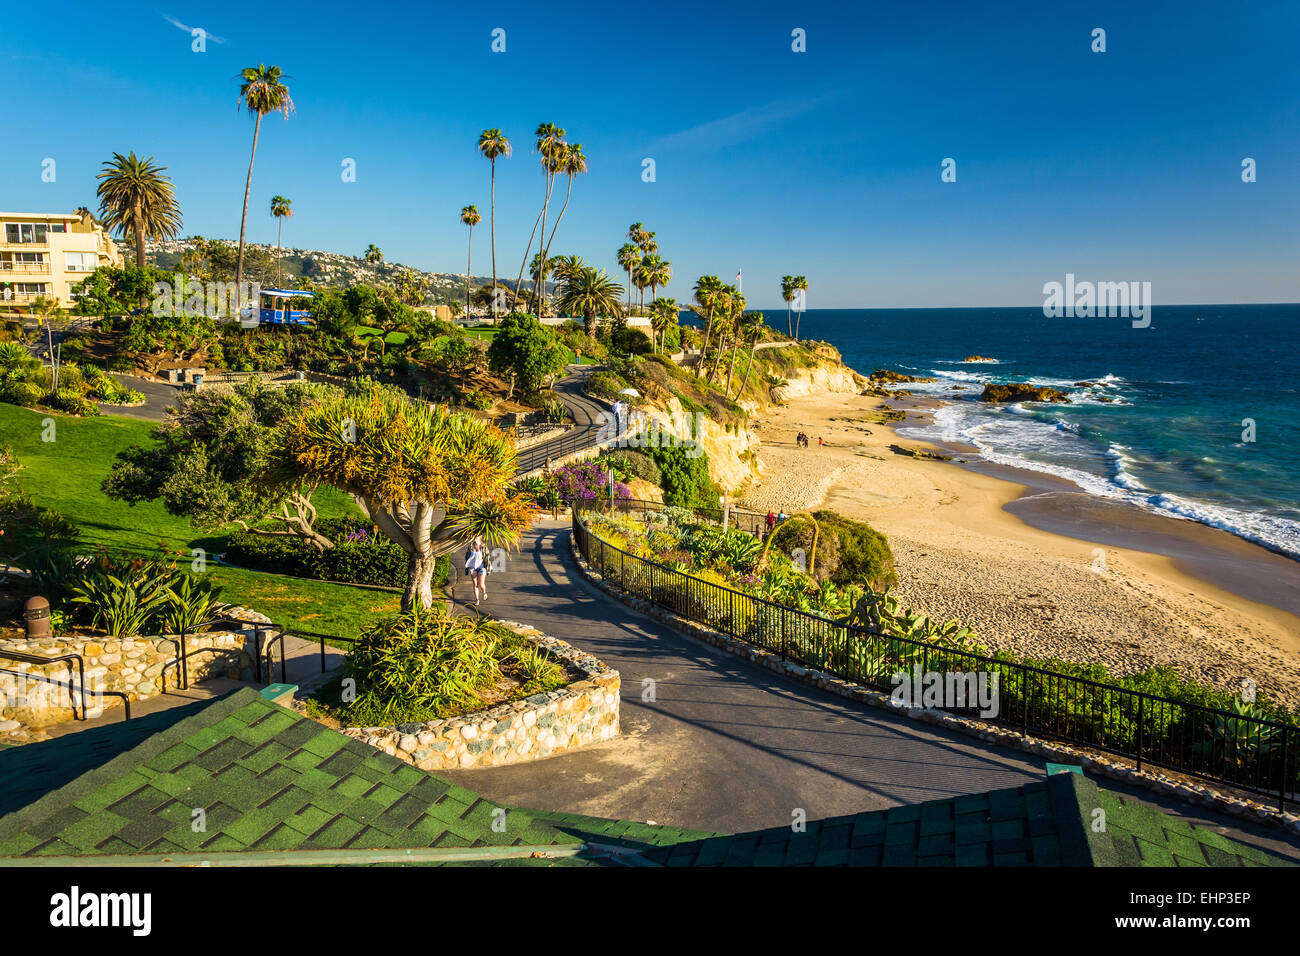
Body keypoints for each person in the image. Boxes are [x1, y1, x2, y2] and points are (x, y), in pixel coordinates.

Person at [464, 537, 488, 605]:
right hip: (472, 568)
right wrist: (468, 568)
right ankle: (477, 600)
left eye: (476, 537)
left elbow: (487, 558)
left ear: (480, 537)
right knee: (475, 584)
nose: (474, 538)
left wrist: (487, 568)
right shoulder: (470, 546)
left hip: (481, 568)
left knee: (481, 584)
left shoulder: (483, 547)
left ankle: (484, 592)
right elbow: (467, 557)